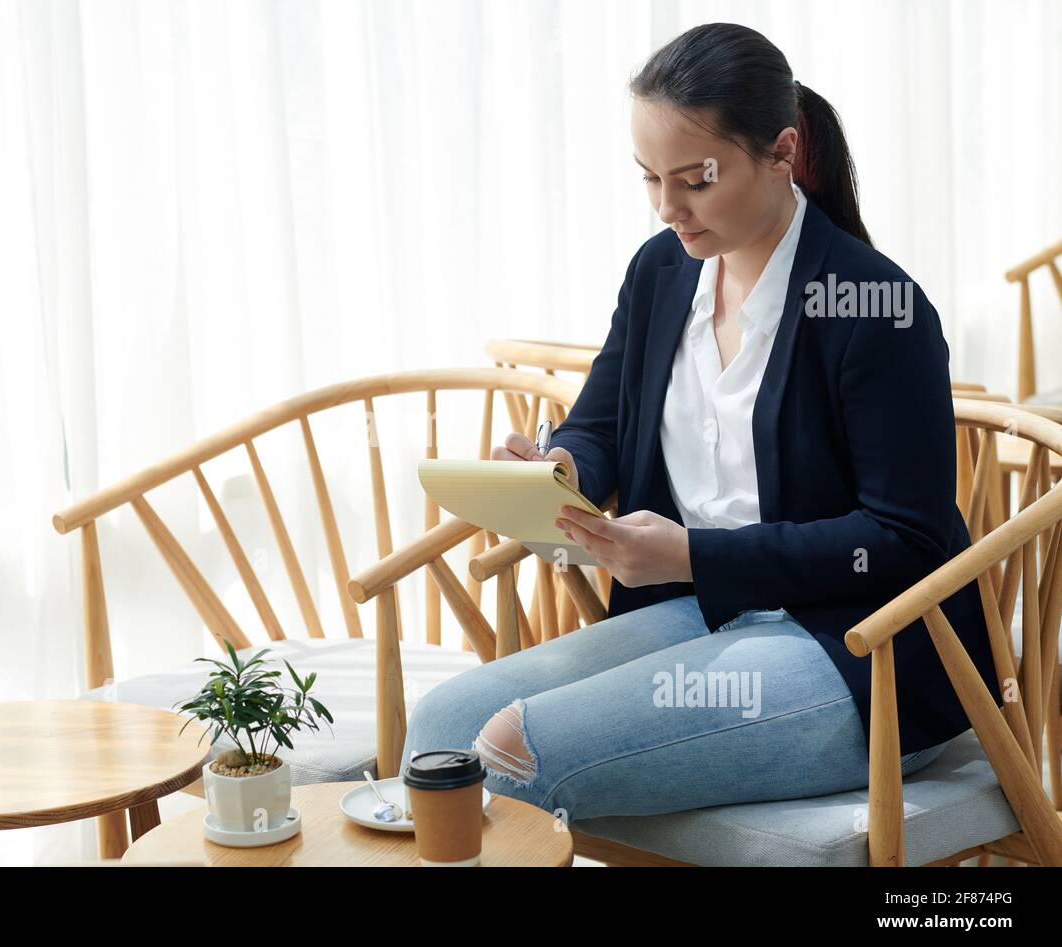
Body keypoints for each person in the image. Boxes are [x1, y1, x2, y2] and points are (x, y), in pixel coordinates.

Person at [398, 22, 1001, 822]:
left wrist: (693, 553)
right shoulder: (662, 272)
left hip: (860, 647)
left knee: (517, 750)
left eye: (695, 180)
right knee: (443, 723)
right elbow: (603, 426)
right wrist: (561, 471)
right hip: (700, 615)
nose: (667, 209)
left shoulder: (874, 307)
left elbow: (905, 542)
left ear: (782, 152)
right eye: (650, 178)